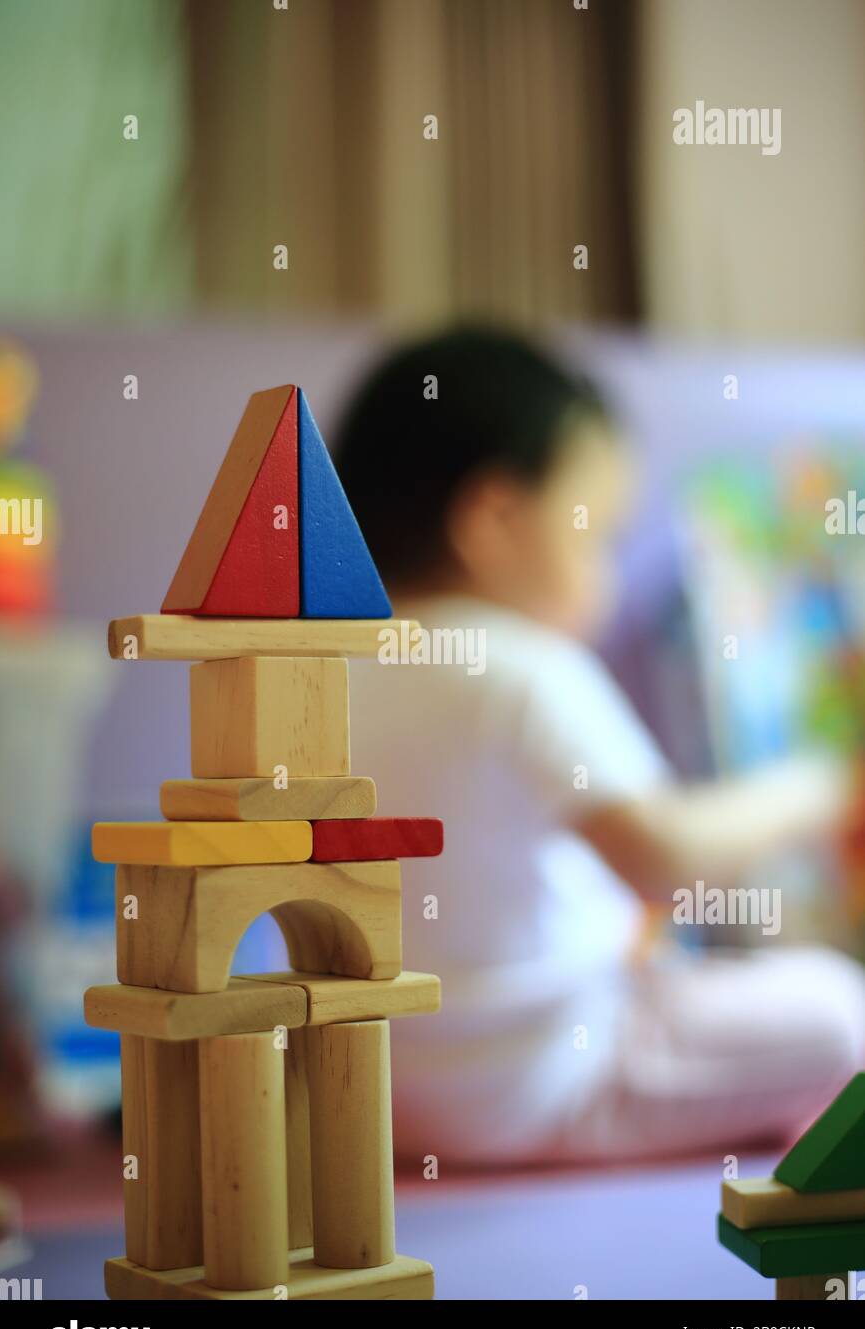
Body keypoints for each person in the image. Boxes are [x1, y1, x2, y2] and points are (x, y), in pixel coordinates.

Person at [336, 325, 865, 1167]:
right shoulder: (521, 665)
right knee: (841, 1008)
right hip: (548, 1080)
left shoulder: (317, 668)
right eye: (598, 537)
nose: (609, 577)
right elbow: (667, 855)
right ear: (497, 519)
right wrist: (821, 787)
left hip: (360, 1103)